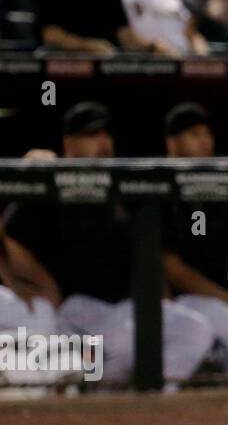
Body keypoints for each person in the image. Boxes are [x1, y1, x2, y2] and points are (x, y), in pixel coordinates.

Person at [2, 102, 216, 387]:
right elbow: (6, 239)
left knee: (194, 328)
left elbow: (149, 250)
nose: (102, 143)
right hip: (76, 308)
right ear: (69, 144)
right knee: (112, 352)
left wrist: (159, 295)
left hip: (124, 307)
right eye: (91, 136)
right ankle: (94, 395)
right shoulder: (52, 182)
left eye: (106, 135)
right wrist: (35, 283)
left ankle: (158, 399)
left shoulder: (122, 184)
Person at [160, 102, 228, 376]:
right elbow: (173, 270)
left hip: (224, 295)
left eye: (207, 133)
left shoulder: (218, 186)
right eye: (194, 134)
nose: (205, 141)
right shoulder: (162, 190)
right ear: (172, 143)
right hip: (184, 300)